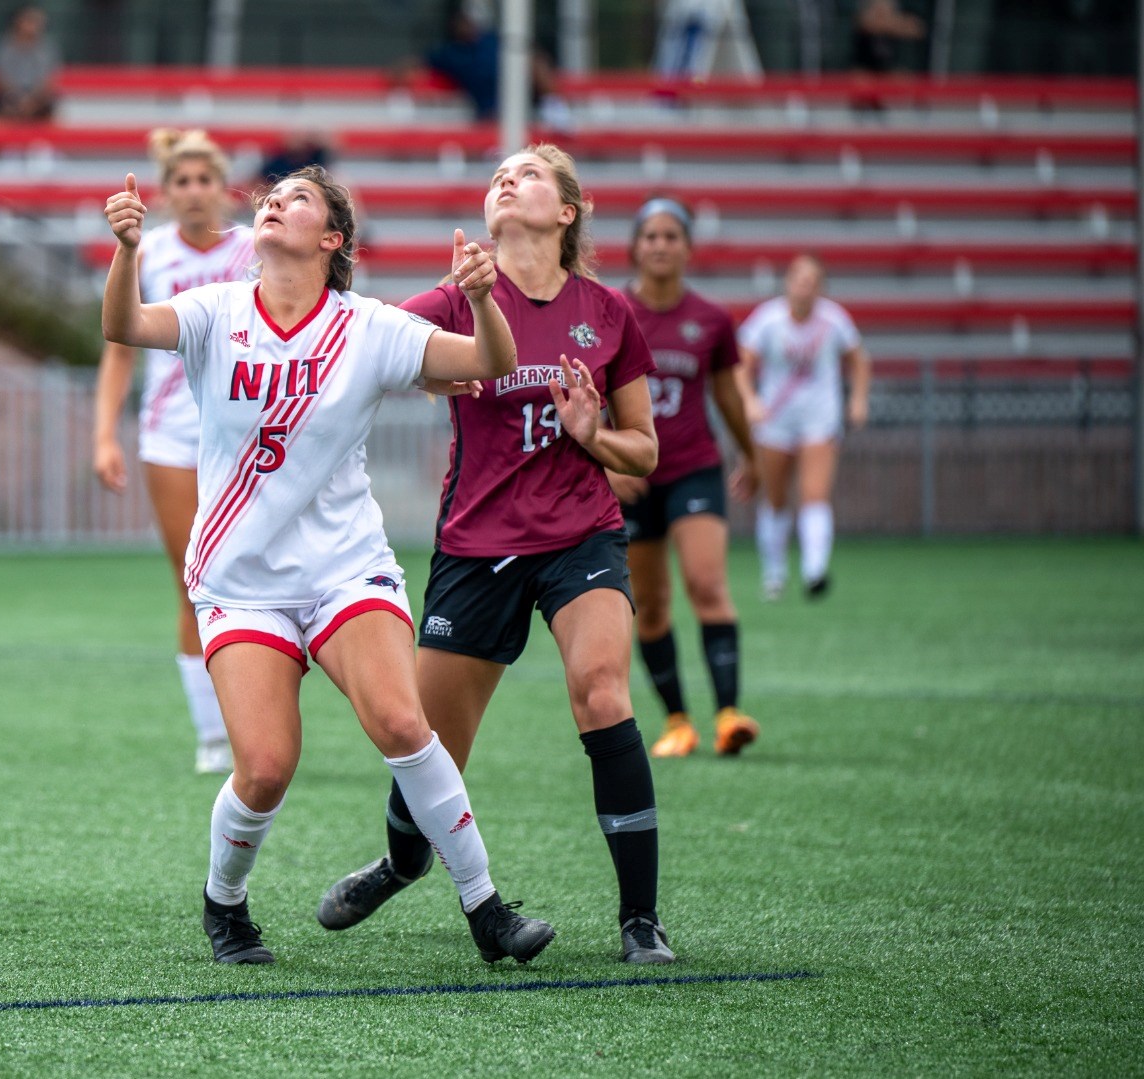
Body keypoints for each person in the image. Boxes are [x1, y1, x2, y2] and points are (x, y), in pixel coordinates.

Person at [102, 166, 553, 967]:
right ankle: (226, 902)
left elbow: (491, 359)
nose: (274, 201)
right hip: (241, 581)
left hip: (346, 570)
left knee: (405, 723)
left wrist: (484, 295)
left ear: (333, 239)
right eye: (270, 195)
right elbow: (126, 325)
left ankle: (486, 908)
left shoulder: (368, 326)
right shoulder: (216, 310)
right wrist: (127, 248)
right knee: (268, 768)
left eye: (298, 198)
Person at [316, 144, 676, 966]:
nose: (505, 180)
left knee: (601, 691)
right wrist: (428, 370)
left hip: (580, 536)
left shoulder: (607, 311)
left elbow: (645, 453)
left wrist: (595, 436)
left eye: (529, 175)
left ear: (566, 212)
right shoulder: (453, 300)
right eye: (497, 176)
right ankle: (402, 862)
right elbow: (360, 349)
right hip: (477, 548)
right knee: (427, 738)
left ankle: (640, 919)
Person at [92, 129, 255, 775]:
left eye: (204, 180)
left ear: (221, 187)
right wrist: (104, 432)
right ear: (166, 192)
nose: (193, 192)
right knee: (195, 582)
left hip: (247, 434)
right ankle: (214, 735)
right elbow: (119, 348)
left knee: (255, 580)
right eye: (181, 181)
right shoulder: (149, 252)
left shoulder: (253, 248)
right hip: (172, 438)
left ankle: (256, 718)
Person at [610, 197, 758, 758]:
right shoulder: (612, 309)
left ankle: (728, 714)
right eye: (651, 236)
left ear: (689, 248)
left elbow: (727, 394)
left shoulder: (713, 319)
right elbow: (587, 393)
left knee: (706, 584)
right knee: (649, 603)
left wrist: (751, 455)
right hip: (634, 476)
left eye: (672, 236)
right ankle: (678, 722)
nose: (661, 245)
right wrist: (606, 463)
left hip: (695, 468)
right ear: (635, 247)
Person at [738, 255, 870, 602]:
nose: (804, 288)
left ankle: (815, 571)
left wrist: (858, 399)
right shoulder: (768, 319)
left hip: (819, 419)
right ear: (788, 283)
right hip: (775, 419)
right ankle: (774, 573)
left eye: (812, 282)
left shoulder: (834, 320)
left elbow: (858, 360)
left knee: (814, 494)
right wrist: (750, 399)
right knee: (776, 498)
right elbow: (741, 365)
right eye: (799, 280)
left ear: (821, 288)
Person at [0, 5, 58, 122]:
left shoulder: (47, 49)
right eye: (31, 21)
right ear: (18, 22)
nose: (35, 26)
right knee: (1, 105)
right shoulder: (3, 47)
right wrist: (17, 98)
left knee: (50, 105)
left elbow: (48, 80)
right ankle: (2, 140)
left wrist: (32, 101)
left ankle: (44, 140)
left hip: (37, 99)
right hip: (9, 97)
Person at [851, 0, 925, 76]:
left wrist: (886, 25)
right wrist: (894, 25)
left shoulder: (896, 5)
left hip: (892, 66)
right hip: (865, 65)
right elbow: (864, 23)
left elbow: (917, 29)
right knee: (859, 78)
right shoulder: (865, 6)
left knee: (905, 79)